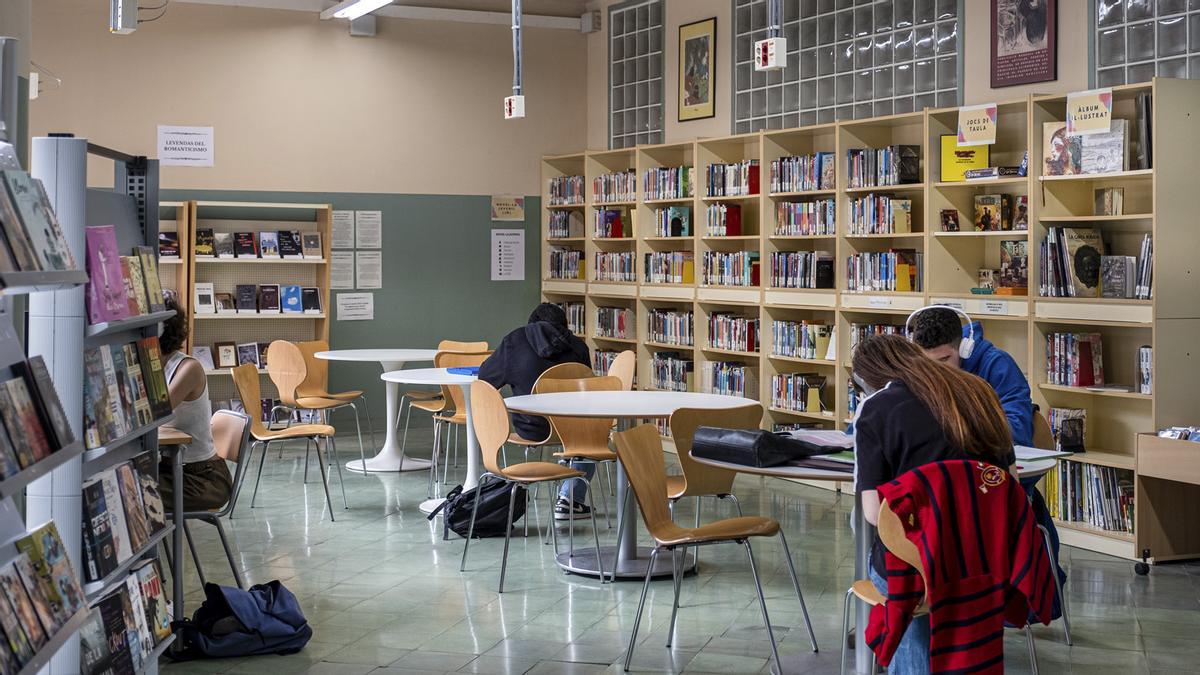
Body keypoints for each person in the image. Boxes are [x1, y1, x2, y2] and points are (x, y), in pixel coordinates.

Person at [853, 334, 1017, 675]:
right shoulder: (979, 391)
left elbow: (873, 513)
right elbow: (1010, 485)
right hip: (985, 559)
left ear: (869, 381)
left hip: (919, 568)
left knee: (892, 548)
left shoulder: (876, 408)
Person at [909, 306, 1066, 614]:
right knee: (877, 517)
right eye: (929, 364)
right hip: (936, 483)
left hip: (992, 484)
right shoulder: (916, 371)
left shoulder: (997, 366)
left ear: (963, 347)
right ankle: (901, 611)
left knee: (944, 525)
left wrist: (955, 430)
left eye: (945, 361)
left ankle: (950, 613)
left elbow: (1016, 429)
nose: (938, 371)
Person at [479, 303, 595, 520]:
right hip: (572, 430)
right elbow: (589, 393)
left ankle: (566, 471)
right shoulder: (579, 347)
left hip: (532, 429)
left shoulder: (515, 341)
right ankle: (571, 500)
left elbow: (486, 378)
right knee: (590, 438)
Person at [159, 295, 234, 512]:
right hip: (172, 468)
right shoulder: (158, 366)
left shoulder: (188, 368)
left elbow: (156, 411)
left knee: (136, 495)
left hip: (204, 479)